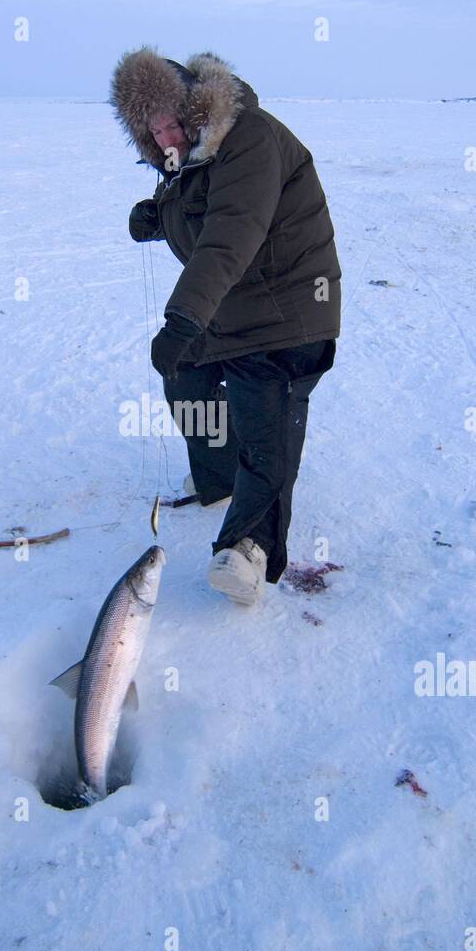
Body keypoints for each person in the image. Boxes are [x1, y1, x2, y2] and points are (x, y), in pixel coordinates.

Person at [109, 47, 341, 605]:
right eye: (153, 127)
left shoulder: (251, 137)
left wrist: (184, 316)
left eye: (172, 119)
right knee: (187, 372)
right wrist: (158, 216)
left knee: (266, 417)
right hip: (235, 306)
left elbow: (230, 233)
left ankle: (248, 549)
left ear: (194, 106)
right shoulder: (190, 160)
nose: (166, 134)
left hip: (290, 311)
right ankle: (218, 478)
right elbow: (199, 213)